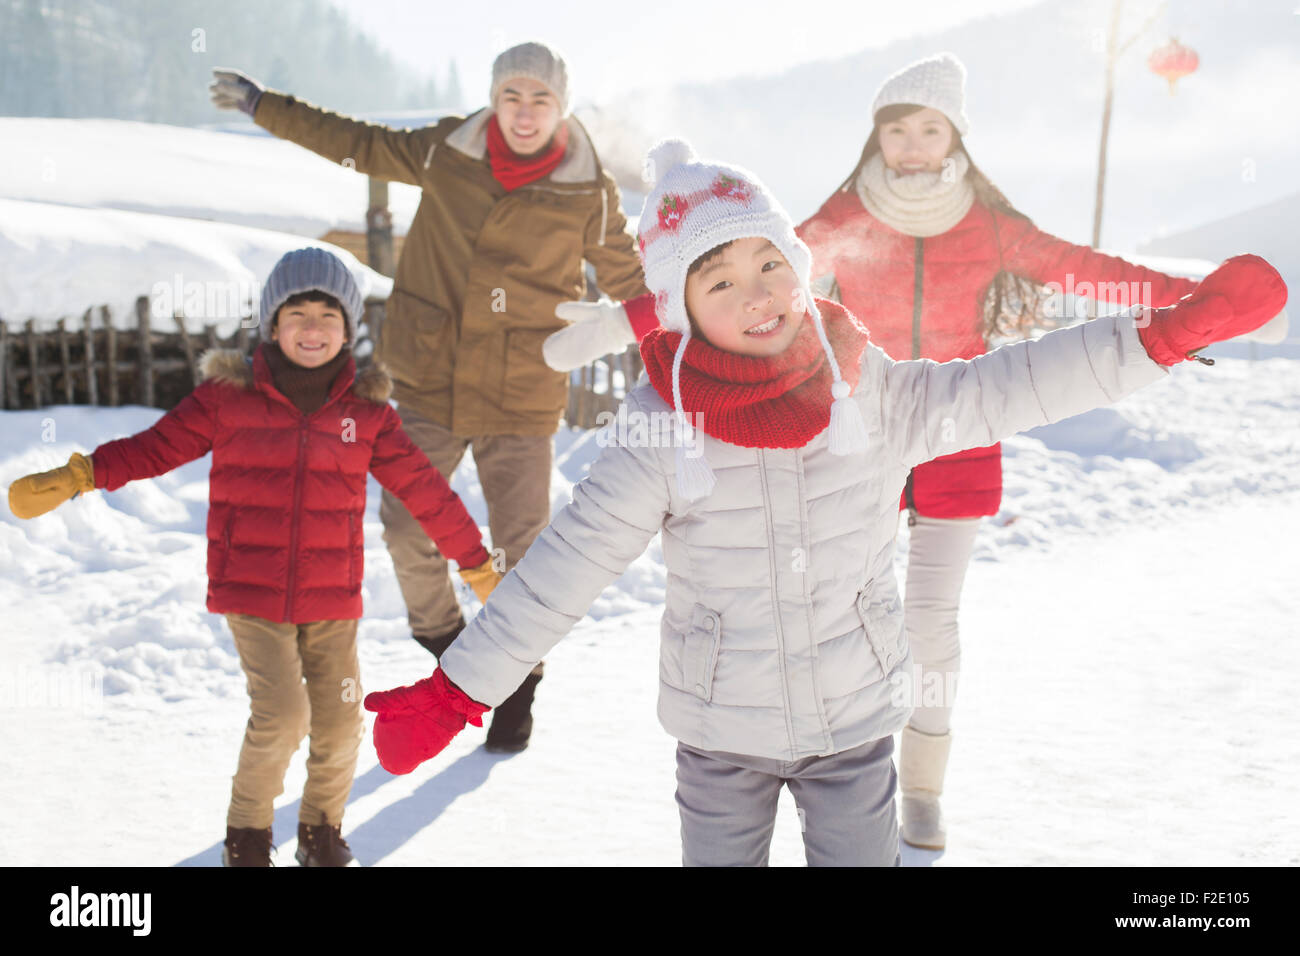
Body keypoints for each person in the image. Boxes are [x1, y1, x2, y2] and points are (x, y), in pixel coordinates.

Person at [359, 140, 1287, 865]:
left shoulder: (869, 389)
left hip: (853, 727)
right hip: (720, 739)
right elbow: (566, 565)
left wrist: (1159, 339)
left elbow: (1007, 386)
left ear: (800, 268)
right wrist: (458, 689)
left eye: (771, 264)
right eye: (720, 282)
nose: (758, 294)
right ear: (680, 311)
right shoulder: (663, 431)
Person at [792, 52, 1252, 849]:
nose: (910, 144)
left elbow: (1086, 271)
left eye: (928, 128)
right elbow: (752, 275)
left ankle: (923, 789)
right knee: (842, 616)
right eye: (896, 128)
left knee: (931, 625)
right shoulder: (839, 221)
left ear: (954, 138)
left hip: (957, 431)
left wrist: (1191, 304)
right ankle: (850, 779)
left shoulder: (989, 224)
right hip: (858, 437)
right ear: (876, 138)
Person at [209, 40, 650, 752]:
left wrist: (691, 334)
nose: (525, 112)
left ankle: (518, 680)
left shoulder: (587, 188)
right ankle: (454, 659)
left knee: (519, 555)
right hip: (430, 377)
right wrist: (268, 107)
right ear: (493, 99)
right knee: (407, 525)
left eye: (540, 99)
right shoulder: (450, 149)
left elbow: (632, 283)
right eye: (512, 96)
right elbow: (360, 143)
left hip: (520, 389)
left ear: (561, 107)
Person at [7, 248, 501, 866]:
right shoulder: (228, 399)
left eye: (329, 314)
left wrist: (477, 563)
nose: (313, 327)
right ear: (272, 324)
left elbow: (426, 491)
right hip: (251, 590)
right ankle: (247, 837)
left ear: (349, 329)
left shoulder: (366, 415)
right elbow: (155, 448)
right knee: (283, 714)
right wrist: (83, 473)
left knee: (343, 721)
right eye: (299, 313)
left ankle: (321, 833)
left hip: (332, 597)